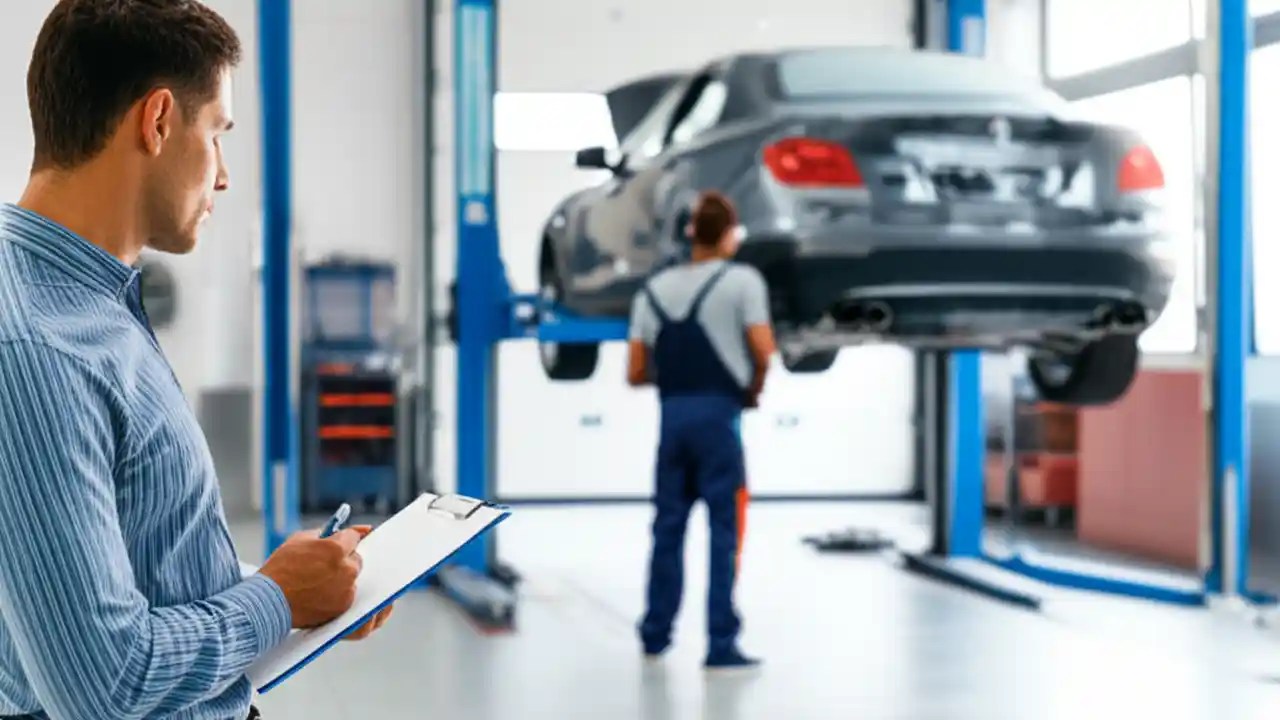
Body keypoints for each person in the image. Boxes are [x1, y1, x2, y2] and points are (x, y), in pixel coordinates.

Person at [0, 2, 392, 719]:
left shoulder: (93, 305)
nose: (223, 178)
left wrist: (299, 591)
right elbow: (101, 687)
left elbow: (128, 570)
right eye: (216, 134)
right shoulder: (36, 347)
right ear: (157, 122)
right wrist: (274, 599)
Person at [626, 191, 776, 670]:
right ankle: (720, 643)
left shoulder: (653, 290)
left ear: (691, 233)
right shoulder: (742, 281)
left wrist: (675, 379)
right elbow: (763, 348)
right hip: (719, 422)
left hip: (672, 420)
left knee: (667, 529)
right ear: (728, 233)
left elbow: (634, 371)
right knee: (723, 531)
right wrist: (753, 388)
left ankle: (655, 633)